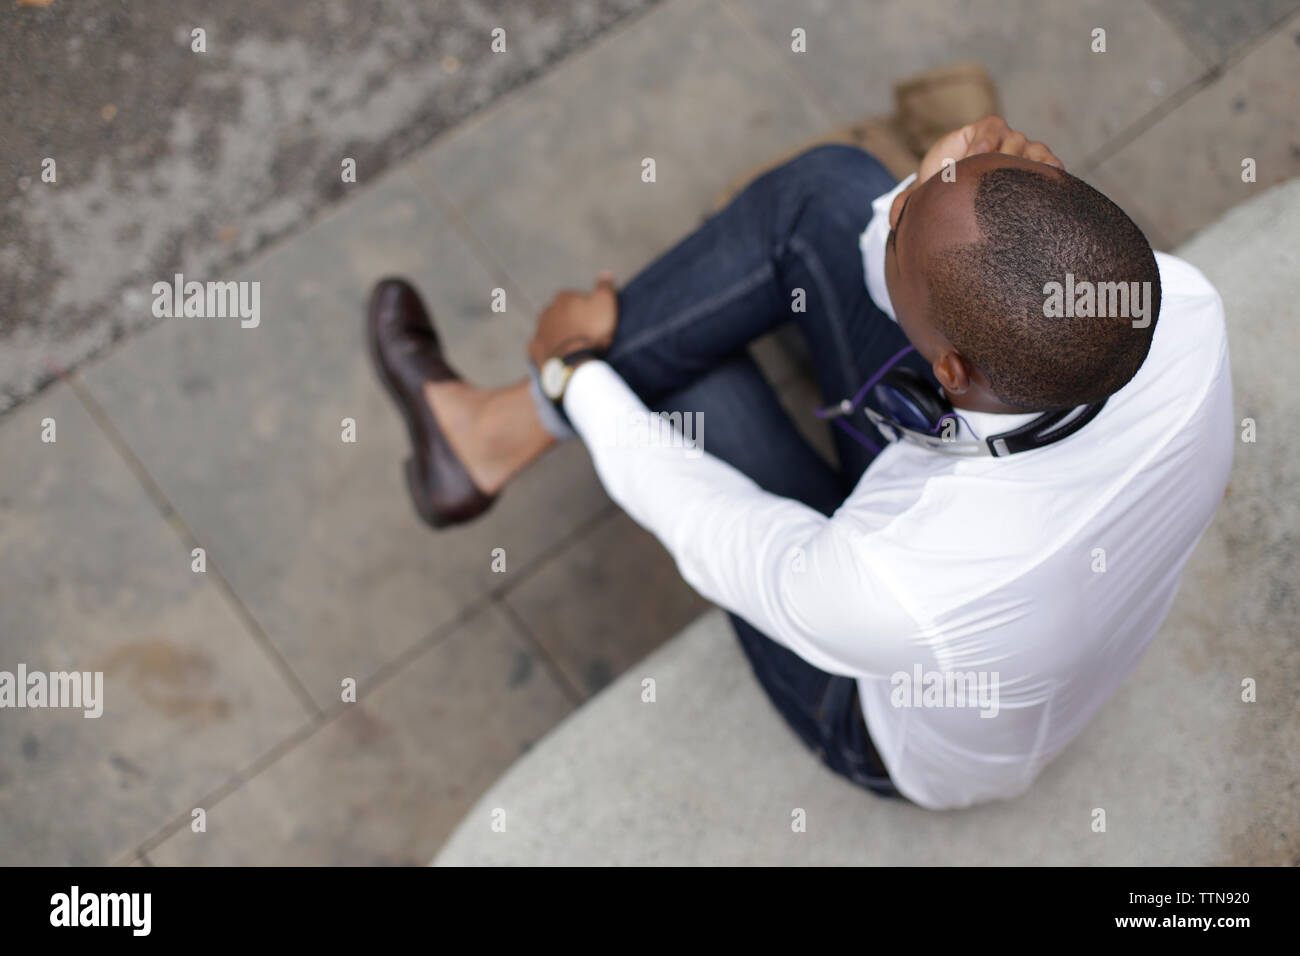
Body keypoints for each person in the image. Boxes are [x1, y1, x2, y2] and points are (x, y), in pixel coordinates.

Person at [366, 115, 1233, 810]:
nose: (897, 207)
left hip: (880, 704)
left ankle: (495, 430)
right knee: (828, 191)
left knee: (681, 381)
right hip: (964, 509)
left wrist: (575, 371)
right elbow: (907, 250)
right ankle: (486, 437)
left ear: (952, 372)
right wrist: (927, 203)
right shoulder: (1173, 307)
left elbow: (711, 530)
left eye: (899, 231)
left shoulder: (900, 588)